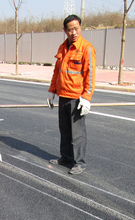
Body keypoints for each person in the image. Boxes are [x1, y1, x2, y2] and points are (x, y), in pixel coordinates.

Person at [47, 14, 96, 174]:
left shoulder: (86, 48)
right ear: (65, 30)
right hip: (63, 95)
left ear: (80, 27)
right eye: (70, 29)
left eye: (76, 28)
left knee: (78, 133)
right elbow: (57, 71)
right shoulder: (62, 48)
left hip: (77, 97)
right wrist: (52, 91)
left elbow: (90, 74)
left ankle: (79, 162)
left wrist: (86, 98)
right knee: (65, 129)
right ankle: (66, 158)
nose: (74, 32)